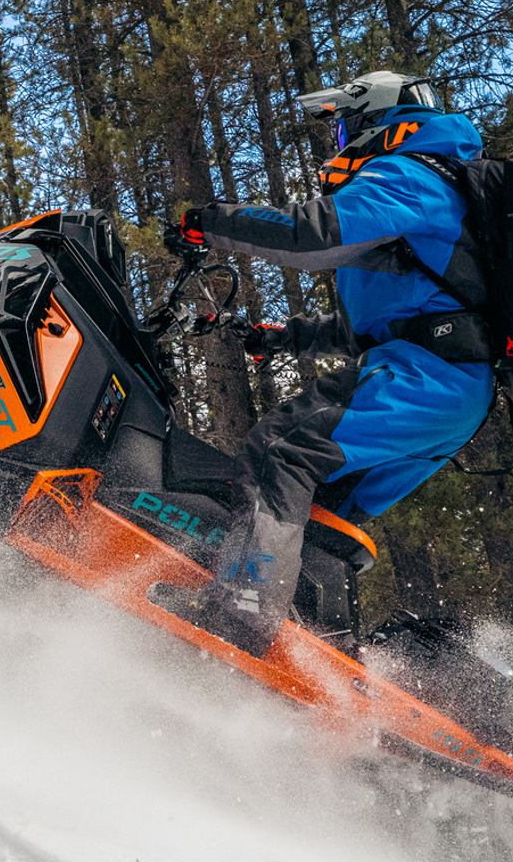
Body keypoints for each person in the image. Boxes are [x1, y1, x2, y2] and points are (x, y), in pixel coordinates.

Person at [165, 69, 494, 656]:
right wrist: (285, 335)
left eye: (344, 127)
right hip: (429, 374)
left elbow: (310, 234)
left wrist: (208, 221)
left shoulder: (411, 172)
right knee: (278, 450)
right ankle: (312, 634)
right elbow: (391, 317)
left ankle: (243, 614)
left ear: (378, 119)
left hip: (428, 378)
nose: (342, 145)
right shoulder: (434, 187)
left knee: (290, 458)